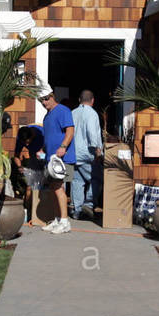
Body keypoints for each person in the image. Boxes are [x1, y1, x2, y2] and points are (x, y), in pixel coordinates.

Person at [37, 88, 76, 234]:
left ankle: (65, 222)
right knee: (54, 188)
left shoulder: (63, 110)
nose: (43, 102)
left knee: (59, 188)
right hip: (51, 158)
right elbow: (49, 137)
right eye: (41, 100)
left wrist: (63, 147)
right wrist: (43, 150)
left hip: (63, 157)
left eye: (46, 99)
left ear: (52, 96)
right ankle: (58, 219)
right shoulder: (47, 117)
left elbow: (70, 131)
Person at [70, 89, 103, 220]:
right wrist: (97, 150)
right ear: (93, 100)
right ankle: (88, 204)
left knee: (77, 181)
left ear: (79, 100)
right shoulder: (92, 114)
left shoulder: (73, 113)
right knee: (97, 178)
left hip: (73, 153)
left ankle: (77, 211)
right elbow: (91, 132)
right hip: (87, 153)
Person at [14, 124, 46, 227]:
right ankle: (28, 212)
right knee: (29, 187)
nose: (27, 144)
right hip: (33, 159)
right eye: (25, 143)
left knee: (46, 187)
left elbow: (53, 144)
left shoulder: (42, 133)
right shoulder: (21, 137)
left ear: (32, 135)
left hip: (47, 157)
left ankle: (46, 213)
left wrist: (43, 151)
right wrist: (20, 167)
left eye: (29, 141)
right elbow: (16, 155)